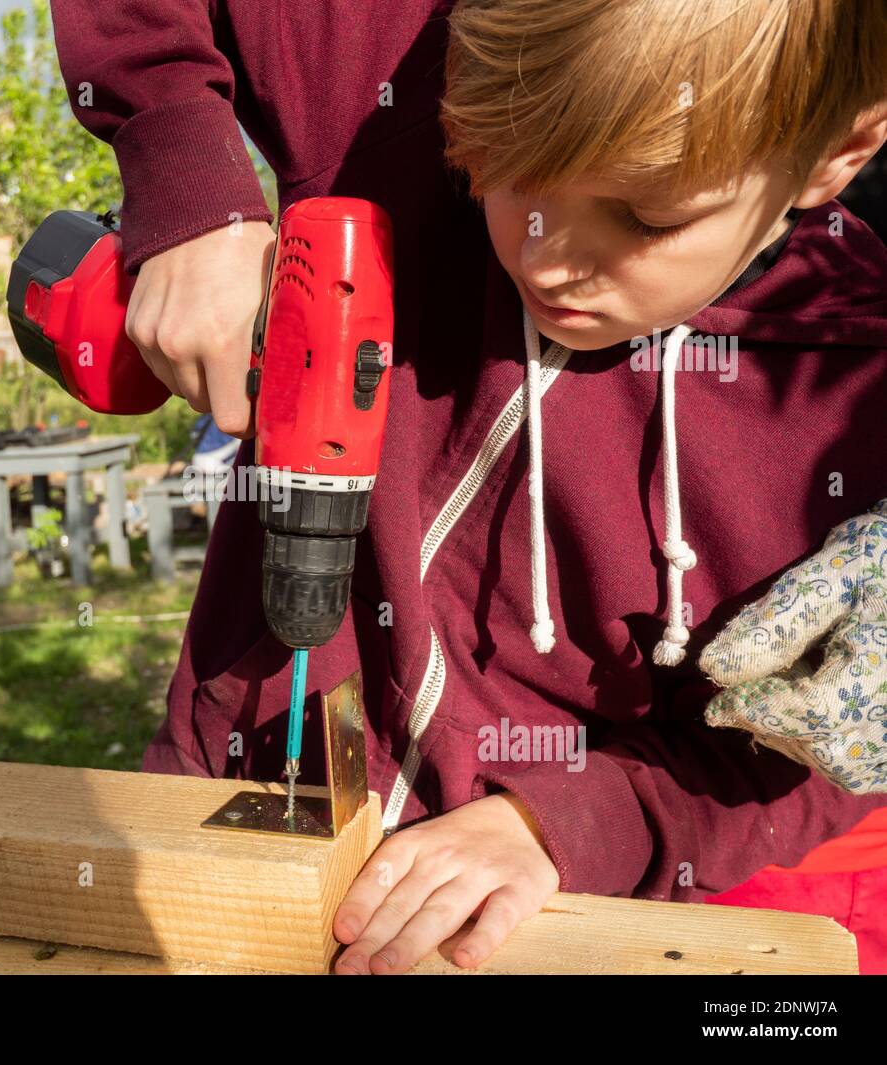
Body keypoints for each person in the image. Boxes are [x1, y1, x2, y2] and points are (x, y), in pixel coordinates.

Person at [50, 0, 887, 973]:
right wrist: (186, 183)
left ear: (836, 153)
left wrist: (572, 818)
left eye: (644, 215)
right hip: (237, 791)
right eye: (499, 162)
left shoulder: (848, 410)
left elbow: (804, 754)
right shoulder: (390, 79)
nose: (547, 256)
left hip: (544, 918)